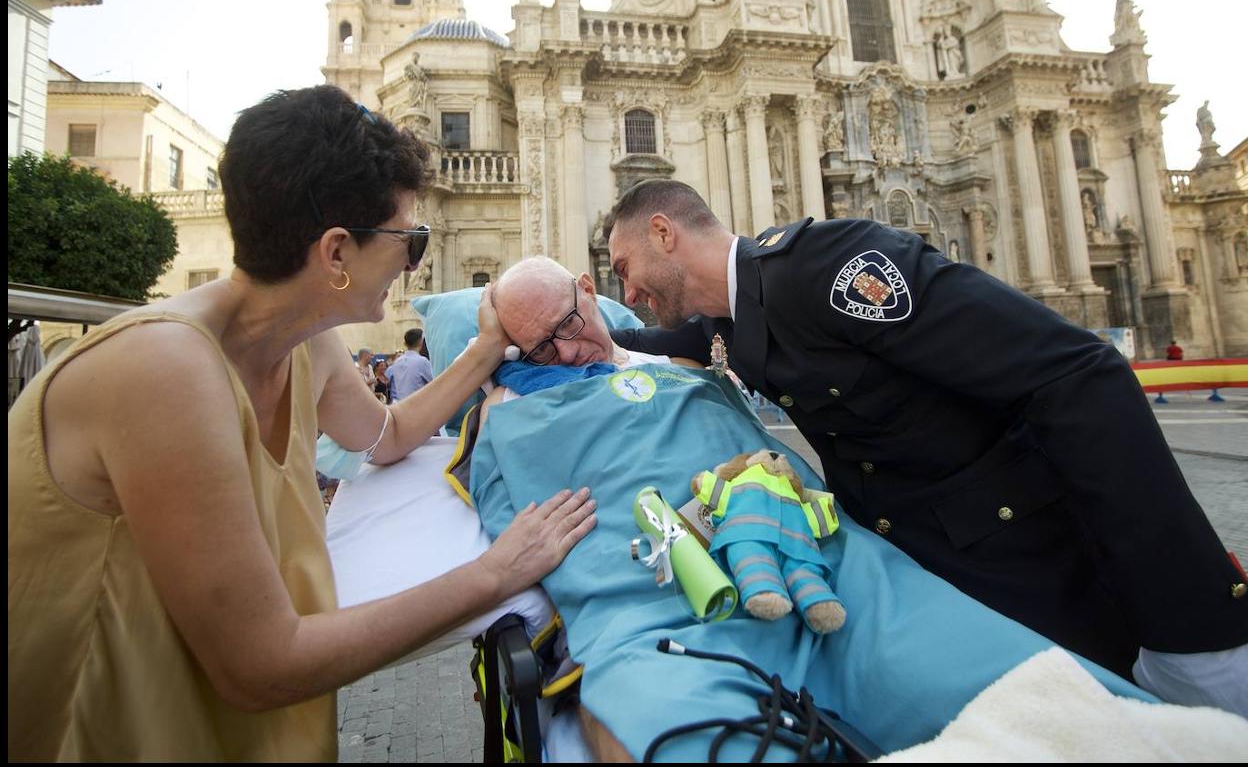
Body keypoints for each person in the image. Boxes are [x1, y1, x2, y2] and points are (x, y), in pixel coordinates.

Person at [6, 85, 597, 762]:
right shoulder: (163, 369)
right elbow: (261, 665)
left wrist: (487, 346)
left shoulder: (302, 343)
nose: (417, 262)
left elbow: (386, 436)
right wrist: (496, 574)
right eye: (411, 240)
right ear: (336, 252)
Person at [604, 179, 1247, 713]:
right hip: (932, 585)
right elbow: (643, 345)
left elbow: (1077, 375)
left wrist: (1189, 621)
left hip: (1033, 571)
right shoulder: (730, 320)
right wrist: (576, 327)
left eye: (625, 271)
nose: (627, 295)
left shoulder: (834, 267)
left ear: (664, 232)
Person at [388, 327, 435, 401]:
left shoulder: (397, 362)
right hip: (418, 402)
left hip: (401, 402)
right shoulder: (422, 361)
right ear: (420, 341)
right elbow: (434, 382)